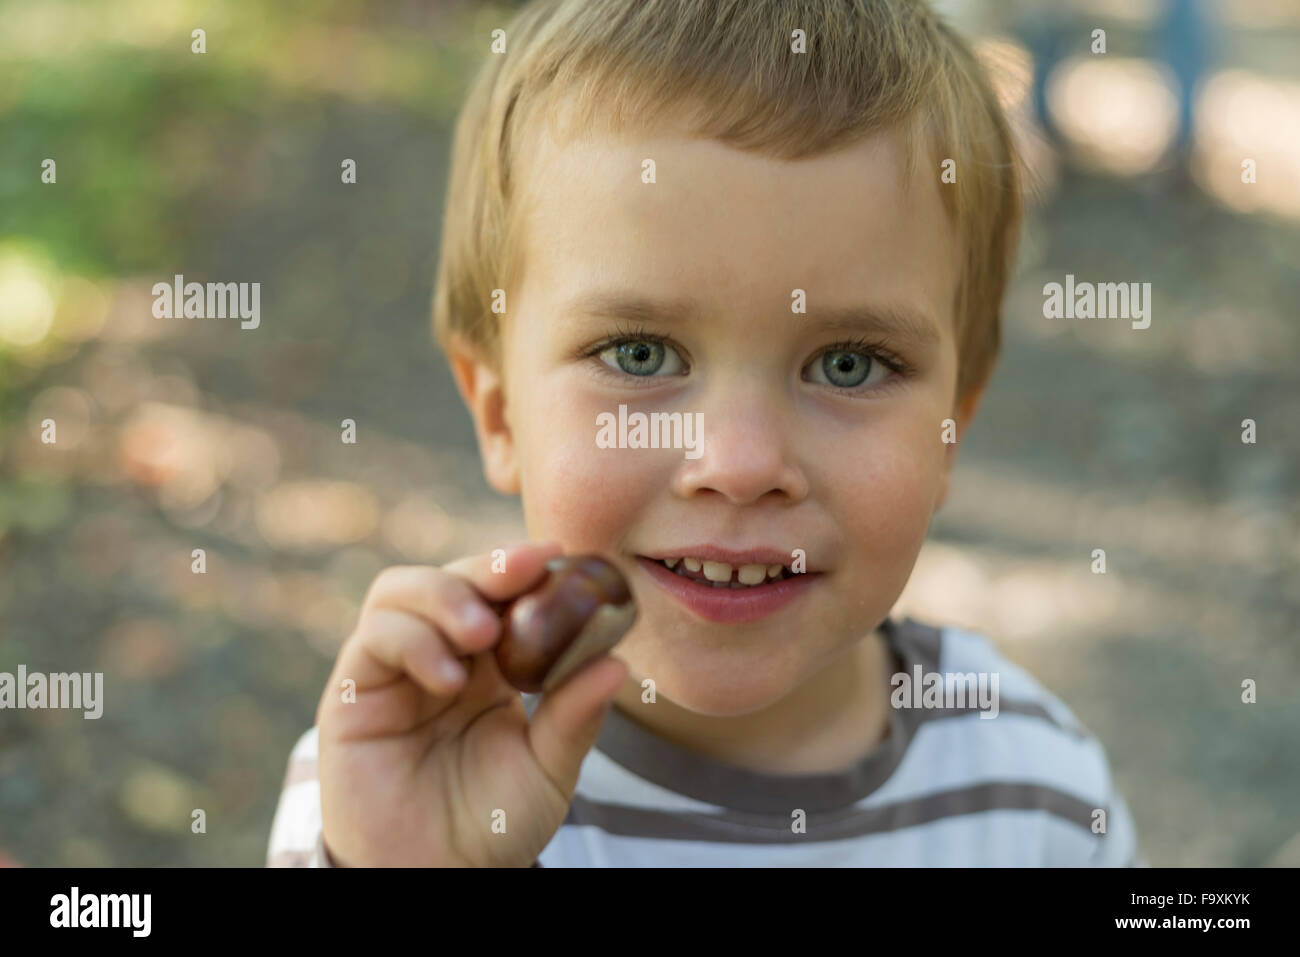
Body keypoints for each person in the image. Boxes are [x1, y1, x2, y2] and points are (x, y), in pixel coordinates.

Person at [267, 0, 1140, 867]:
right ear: (499, 414)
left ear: (950, 430)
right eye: (640, 354)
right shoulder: (396, 781)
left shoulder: (1041, 795)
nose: (742, 463)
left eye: (849, 364)